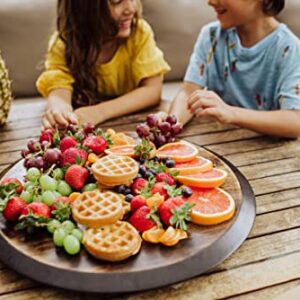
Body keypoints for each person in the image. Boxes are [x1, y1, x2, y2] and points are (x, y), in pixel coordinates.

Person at [168, 0, 300, 138]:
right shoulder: (211, 36)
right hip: (221, 142)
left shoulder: (290, 49)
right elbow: (189, 91)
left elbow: (295, 121)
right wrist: (169, 124)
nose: (211, 2)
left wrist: (231, 113)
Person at [37, 0, 170, 128]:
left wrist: (99, 112)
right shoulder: (64, 43)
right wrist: (60, 106)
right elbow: (58, 84)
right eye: (117, 1)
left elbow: (152, 90)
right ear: (84, 6)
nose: (131, 9)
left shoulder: (139, 33)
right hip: (88, 131)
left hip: (130, 126)